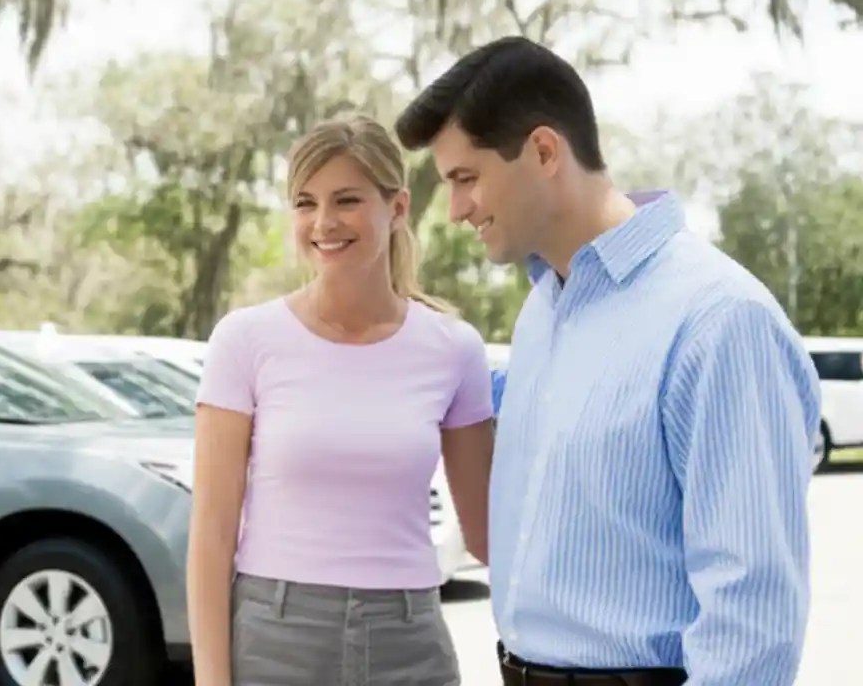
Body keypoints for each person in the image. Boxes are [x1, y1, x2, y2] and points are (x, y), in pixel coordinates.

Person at [394, 35, 821, 686]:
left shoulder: (719, 320)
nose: (454, 211)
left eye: (466, 178)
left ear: (542, 151)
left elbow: (753, 613)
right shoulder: (543, 312)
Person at [186, 114, 496, 686]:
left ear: (398, 207)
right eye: (305, 203)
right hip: (274, 639)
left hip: (411, 642)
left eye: (346, 200)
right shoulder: (246, 340)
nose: (323, 223)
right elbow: (210, 535)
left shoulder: (454, 349)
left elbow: (487, 534)